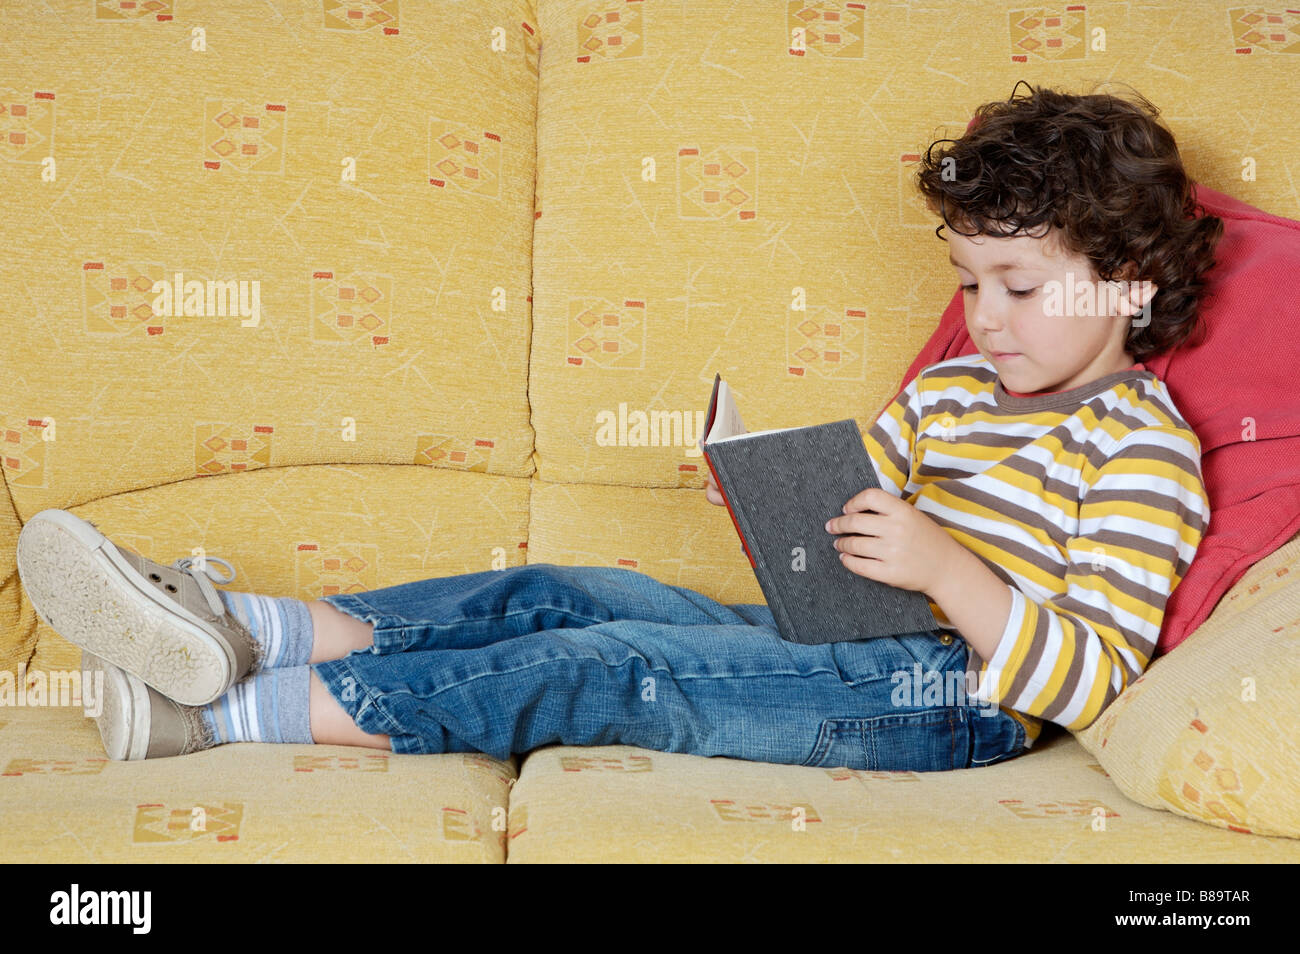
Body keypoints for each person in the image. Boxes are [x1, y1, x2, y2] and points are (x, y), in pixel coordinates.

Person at [16, 81, 1216, 770]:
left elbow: (1092, 679)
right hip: (837, 642)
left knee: (612, 667)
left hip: (942, 701)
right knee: (563, 587)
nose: (983, 318)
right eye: (967, 282)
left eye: (1018, 285)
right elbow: (848, 538)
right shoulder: (952, 396)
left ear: (1129, 282)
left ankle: (215, 716)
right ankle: (245, 628)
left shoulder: (1138, 449)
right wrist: (768, 497)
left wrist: (946, 567)